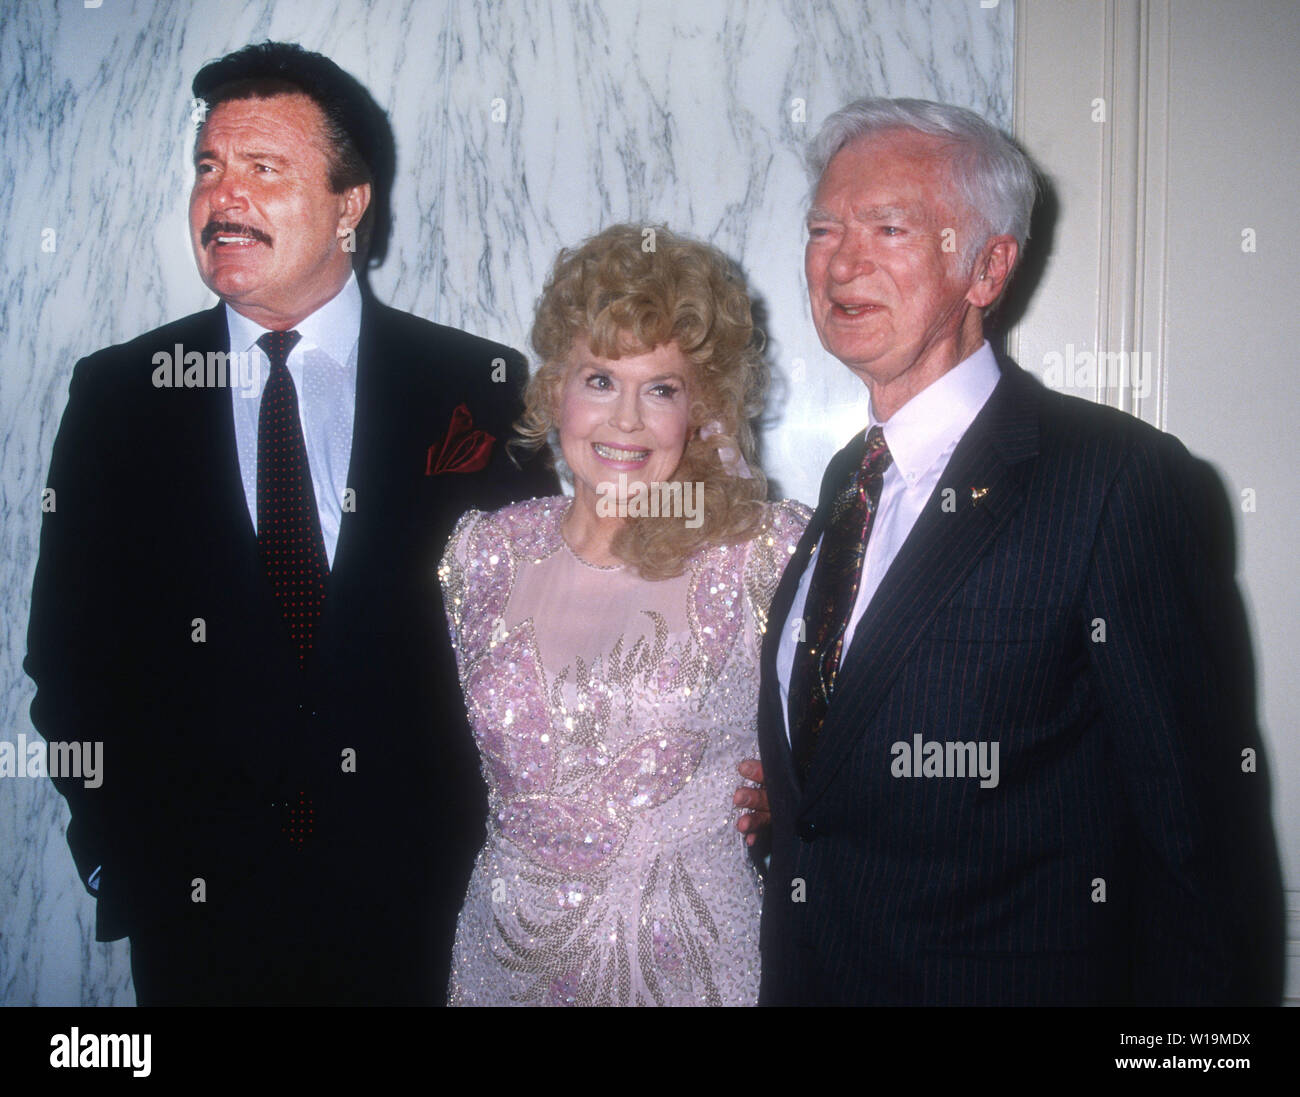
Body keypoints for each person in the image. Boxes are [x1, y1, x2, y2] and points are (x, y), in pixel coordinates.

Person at [24, 41, 556, 1005]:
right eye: (208, 167)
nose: (223, 198)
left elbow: (541, 637)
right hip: (197, 919)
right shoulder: (118, 395)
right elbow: (68, 661)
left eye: (264, 169)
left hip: (430, 909)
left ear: (350, 205)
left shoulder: (473, 386)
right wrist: (116, 855)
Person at [756, 97, 1282, 1005]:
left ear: (988, 267)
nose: (841, 260)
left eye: (889, 226)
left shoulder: (1115, 480)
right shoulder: (851, 475)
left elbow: (1200, 844)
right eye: (823, 227)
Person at [438, 224, 809, 1005]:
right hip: (501, 966)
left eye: (662, 388)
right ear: (555, 391)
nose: (627, 420)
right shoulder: (482, 555)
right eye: (601, 379)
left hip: (696, 968)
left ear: (701, 408)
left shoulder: (763, 554)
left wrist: (802, 794)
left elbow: (881, 728)